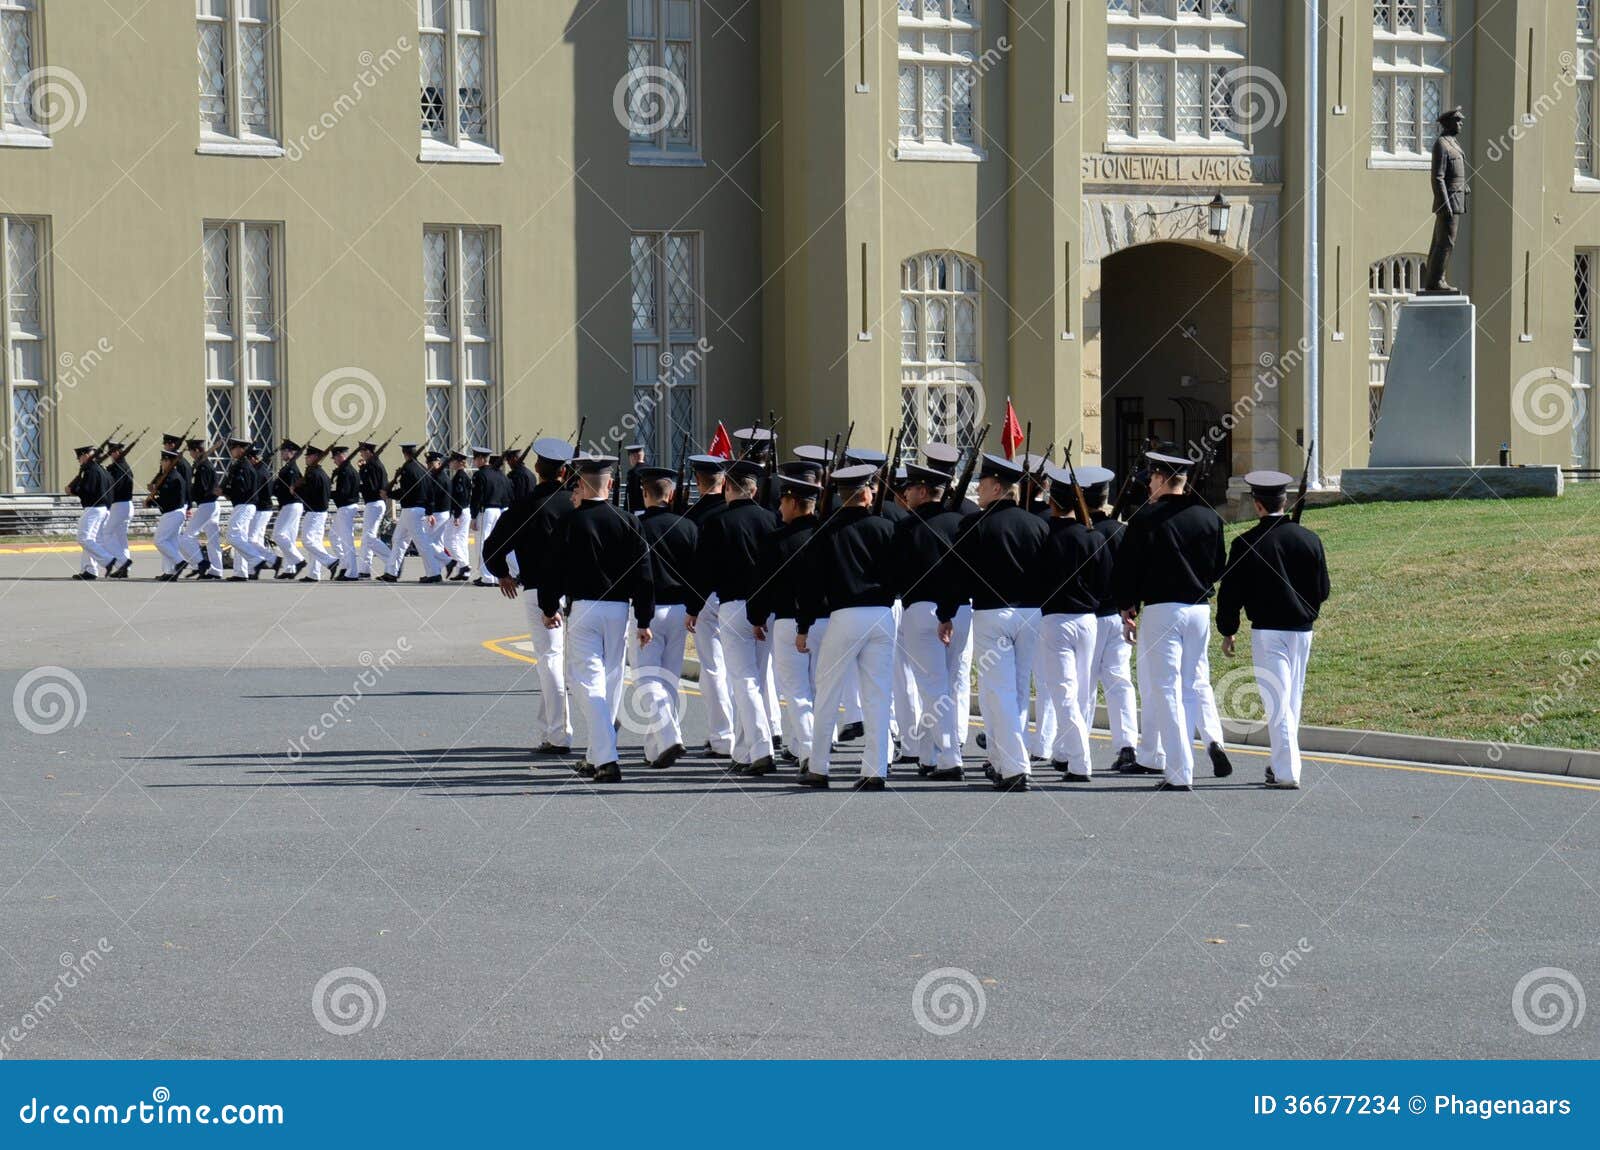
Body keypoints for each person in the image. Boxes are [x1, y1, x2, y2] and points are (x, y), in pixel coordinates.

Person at [1112, 448, 1228, 792]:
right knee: (1193, 684)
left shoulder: (1145, 519)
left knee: (1166, 690)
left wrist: (1127, 605)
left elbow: (1128, 567)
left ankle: (1178, 769)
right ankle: (1204, 746)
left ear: (1162, 478)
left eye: (1152, 477)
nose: (1149, 483)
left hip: (1163, 609)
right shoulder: (1209, 517)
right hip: (1199, 609)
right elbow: (1218, 566)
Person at [536, 456, 655, 784]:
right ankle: (596, 754)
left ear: (581, 484)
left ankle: (606, 759)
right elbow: (644, 574)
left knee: (586, 681)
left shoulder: (569, 522)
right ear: (611, 484)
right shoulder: (629, 521)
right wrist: (644, 618)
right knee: (612, 680)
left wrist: (548, 606)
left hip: (585, 607)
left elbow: (552, 569)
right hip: (619, 609)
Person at [938, 454, 1049, 791]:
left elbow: (956, 575)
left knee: (998, 691)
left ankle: (1015, 767)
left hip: (992, 613)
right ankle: (1001, 762)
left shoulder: (975, 525)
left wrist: (946, 613)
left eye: (983, 484)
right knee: (1016, 691)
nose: (978, 490)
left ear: (997, 487)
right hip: (1031, 613)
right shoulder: (1037, 525)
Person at [1217, 471, 1331, 790]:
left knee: (1279, 702)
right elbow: (1323, 590)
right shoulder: (1310, 539)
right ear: (1285, 501)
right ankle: (1278, 763)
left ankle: (1286, 771)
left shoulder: (1245, 543)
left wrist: (1228, 629)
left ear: (1257, 505)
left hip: (1268, 630)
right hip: (1303, 630)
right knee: (1290, 700)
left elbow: (1231, 594)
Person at [795, 464, 899, 790]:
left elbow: (812, 585)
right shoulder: (886, 528)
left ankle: (819, 766)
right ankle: (875, 770)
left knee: (828, 692)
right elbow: (900, 576)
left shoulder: (826, 531)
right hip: (881, 614)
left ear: (841, 495)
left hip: (844, 615)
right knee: (878, 695)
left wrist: (804, 625)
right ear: (867, 493)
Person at [484, 436, 578, 755]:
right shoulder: (576, 504)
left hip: (538, 588)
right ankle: (554, 726)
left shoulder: (524, 507)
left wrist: (502, 573)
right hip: (580, 593)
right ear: (564, 471)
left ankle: (558, 733)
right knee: (571, 661)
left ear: (537, 468)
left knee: (550, 660)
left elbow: (492, 547)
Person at [695, 458, 780, 775]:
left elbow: (704, 571)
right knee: (755, 677)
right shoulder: (771, 520)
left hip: (733, 606)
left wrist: (693, 607)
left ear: (727, 487)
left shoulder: (717, 522)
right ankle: (744, 751)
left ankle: (761, 748)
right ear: (754, 490)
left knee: (743, 680)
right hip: (767, 608)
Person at [894, 459, 970, 781]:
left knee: (932, 687)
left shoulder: (906, 527)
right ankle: (929, 756)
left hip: (923, 611)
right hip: (961, 610)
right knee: (944, 685)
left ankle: (950, 759)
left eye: (910, 488)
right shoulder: (961, 522)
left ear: (923, 491)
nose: (906, 494)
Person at [1033, 466, 1109, 781]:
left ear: (1051, 500)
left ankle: (1079, 760)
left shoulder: (1042, 535)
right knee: (1081, 691)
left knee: (1063, 691)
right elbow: (1104, 583)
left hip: (1056, 619)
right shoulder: (1093, 537)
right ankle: (1066, 752)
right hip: (1088, 619)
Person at [749, 465, 825, 774]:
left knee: (796, 692)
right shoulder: (825, 534)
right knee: (818, 690)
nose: (779, 508)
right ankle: (809, 748)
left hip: (788, 621)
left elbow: (761, 586)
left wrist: (756, 617)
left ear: (793, 502)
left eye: (782, 501)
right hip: (825, 621)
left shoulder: (776, 541)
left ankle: (809, 752)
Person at [635, 466, 701, 769]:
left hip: (648, 609)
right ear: (671, 494)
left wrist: (640, 617)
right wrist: (693, 608)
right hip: (678, 610)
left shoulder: (636, 526)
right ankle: (655, 748)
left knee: (648, 679)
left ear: (644, 494)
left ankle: (670, 736)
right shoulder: (688, 527)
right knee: (669, 680)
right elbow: (696, 574)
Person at [1078, 466, 1139, 771]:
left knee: (1084, 685)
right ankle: (1127, 745)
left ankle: (1076, 747)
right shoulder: (1122, 531)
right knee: (1119, 681)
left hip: (1091, 616)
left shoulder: (1085, 533)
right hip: (1119, 615)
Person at [682, 455, 735, 758]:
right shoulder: (733, 510)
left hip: (707, 597)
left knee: (713, 669)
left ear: (697, 481)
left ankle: (722, 736)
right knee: (741, 670)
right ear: (723, 480)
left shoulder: (692, 516)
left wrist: (692, 605)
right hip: (737, 598)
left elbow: (695, 566)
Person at [381, 444, 438, 583]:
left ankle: (434, 573)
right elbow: (431, 492)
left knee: (421, 543)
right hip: (415, 510)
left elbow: (404, 491)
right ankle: (391, 572)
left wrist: (388, 494)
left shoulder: (408, 469)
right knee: (398, 539)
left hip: (411, 510)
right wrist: (429, 511)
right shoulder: (423, 468)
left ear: (404, 453)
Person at [222, 440, 271, 580]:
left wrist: (226, 492)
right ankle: (240, 572)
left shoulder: (243, 467)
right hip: (243, 505)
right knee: (240, 538)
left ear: (240, 449)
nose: (231, 451)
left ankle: (257, 560)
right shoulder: (241, 465)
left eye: (233, 448)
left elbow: (242, 489)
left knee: (232, 535)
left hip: (244, 504)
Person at [69, 444, 116, 580]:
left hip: (94, 508)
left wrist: (72, 490)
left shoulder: (90, 470)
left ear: (85, 456)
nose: (79, 461)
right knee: (91, 539)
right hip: (103, 508)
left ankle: (107, 560)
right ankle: (89, 570)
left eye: (79, 458)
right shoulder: (102, 469)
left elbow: (87, 490)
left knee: (83, 538)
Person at [182, 438, 223, 580]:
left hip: (207, 505)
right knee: (213, 540)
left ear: (196, 451)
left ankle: (201, 563)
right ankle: (216, 570)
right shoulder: (203, 464)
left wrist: (189, 493)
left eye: (191, 451)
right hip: (211, 504)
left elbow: (202, 488)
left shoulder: (203, 466)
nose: (190, 454)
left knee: (187, 536)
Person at [296, 444, 339, 582]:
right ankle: (314, 573)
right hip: (320, 512)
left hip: (314, 511)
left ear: (315, 457)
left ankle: (331, 561)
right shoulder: (321, 473)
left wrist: (296, 490)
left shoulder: (313, 474)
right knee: (315, 543)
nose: (306, 459)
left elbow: (309, 494)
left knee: (307, 541)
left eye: (308, 456)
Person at [149, 449, 191, 581]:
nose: (162, 463)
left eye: (164, 460)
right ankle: (170, 571)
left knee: (159, 540)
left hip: (173, 512)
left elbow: (167, 499)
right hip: (173, 512)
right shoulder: (169, 476)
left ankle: (180, 561)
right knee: (170, 542)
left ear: (169, 462)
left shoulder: (173, 478)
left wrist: (152, 501)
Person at [469, 448, 507, 586]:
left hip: (485, 512)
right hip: (497, 510)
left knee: (482, 544)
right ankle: (494, 576)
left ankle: (487, 577)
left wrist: (473, 516)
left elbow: (476, 497)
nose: (474, 461)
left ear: (481, 458)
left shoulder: (480, 475)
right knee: (494, 544)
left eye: (475, 458)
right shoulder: (498, 474)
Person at [271, 439, 307, 580]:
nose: (282, 453)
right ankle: (290, 568)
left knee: (278, 535)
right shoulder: (288, 467)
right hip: (290, 504)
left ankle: (298, 560)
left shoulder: (291, 469)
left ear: (291, 452)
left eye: (284, 451)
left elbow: (291, 489)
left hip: (291, 504)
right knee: (289, 538)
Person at [356, 440, 392, 579]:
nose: (361, 454)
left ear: (368, 452)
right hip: (373, 503)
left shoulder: (372, 466)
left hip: (374, 503)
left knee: (369, 537)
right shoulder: (373, 464)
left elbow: (370, 487)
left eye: (362, 451)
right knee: (367, 537)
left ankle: (392, 560)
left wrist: (361, 474)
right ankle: (364, 570)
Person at [329, 444, 362, 581]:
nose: (334, 461)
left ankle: (352, 572)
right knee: (333, 536)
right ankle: (344, 565)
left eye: (335, 457)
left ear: (341, 456)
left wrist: (327, 494)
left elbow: (343, 492)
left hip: (346, 507)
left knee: (347, 540)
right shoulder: (344, 470)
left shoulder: (345, 471)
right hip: (344, 507)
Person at [102, 441, 135, 579]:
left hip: (119, 505)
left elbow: (113, 488)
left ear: (116, 452)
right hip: (126, 504)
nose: (110, 456)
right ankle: (125, 569)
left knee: (106, 534)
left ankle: (123, 562)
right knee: (121, 538)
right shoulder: (124, 466)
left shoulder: (117, 468)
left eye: (111, 452)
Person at [445, 450, 473, 580]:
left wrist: (456, 516)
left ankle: (464, 565)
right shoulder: (462, 475)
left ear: (459, 462)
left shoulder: (460, 477)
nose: (450, 463)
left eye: (452, 461)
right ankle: (464, 572)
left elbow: (459, 498)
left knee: (449, 540)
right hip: (464, 510)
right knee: (461, 541)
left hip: (460, 511)